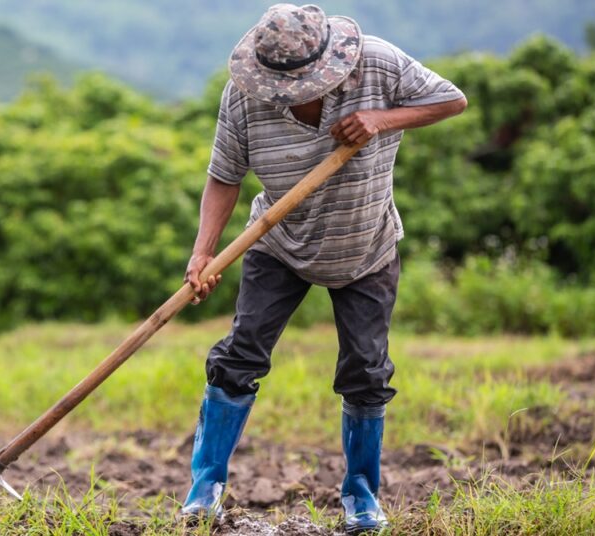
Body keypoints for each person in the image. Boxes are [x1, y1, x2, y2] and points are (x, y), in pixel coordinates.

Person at [180, 4, 467, 533]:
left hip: (366, 245)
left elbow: (452, 100)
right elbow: (224, 176)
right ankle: (205, 491)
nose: (290, 95)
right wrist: (203, 253)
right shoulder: (244, 96)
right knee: (239, 356)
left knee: (365, 370)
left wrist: (381, 119)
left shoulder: (379, 64)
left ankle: (361, 498)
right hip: (278, 241)